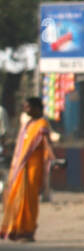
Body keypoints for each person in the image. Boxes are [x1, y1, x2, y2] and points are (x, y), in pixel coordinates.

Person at [1, 98, 54, 242]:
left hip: (33, 168)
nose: (26, 109)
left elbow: (47, 143)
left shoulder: (42, 124)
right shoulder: (28, 124)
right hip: (21, 167)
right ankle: (16, 228)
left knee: (29, 200)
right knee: (16, 196)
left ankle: (28, 231)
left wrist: (52, 158)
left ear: (37, 108)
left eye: (28, 107)